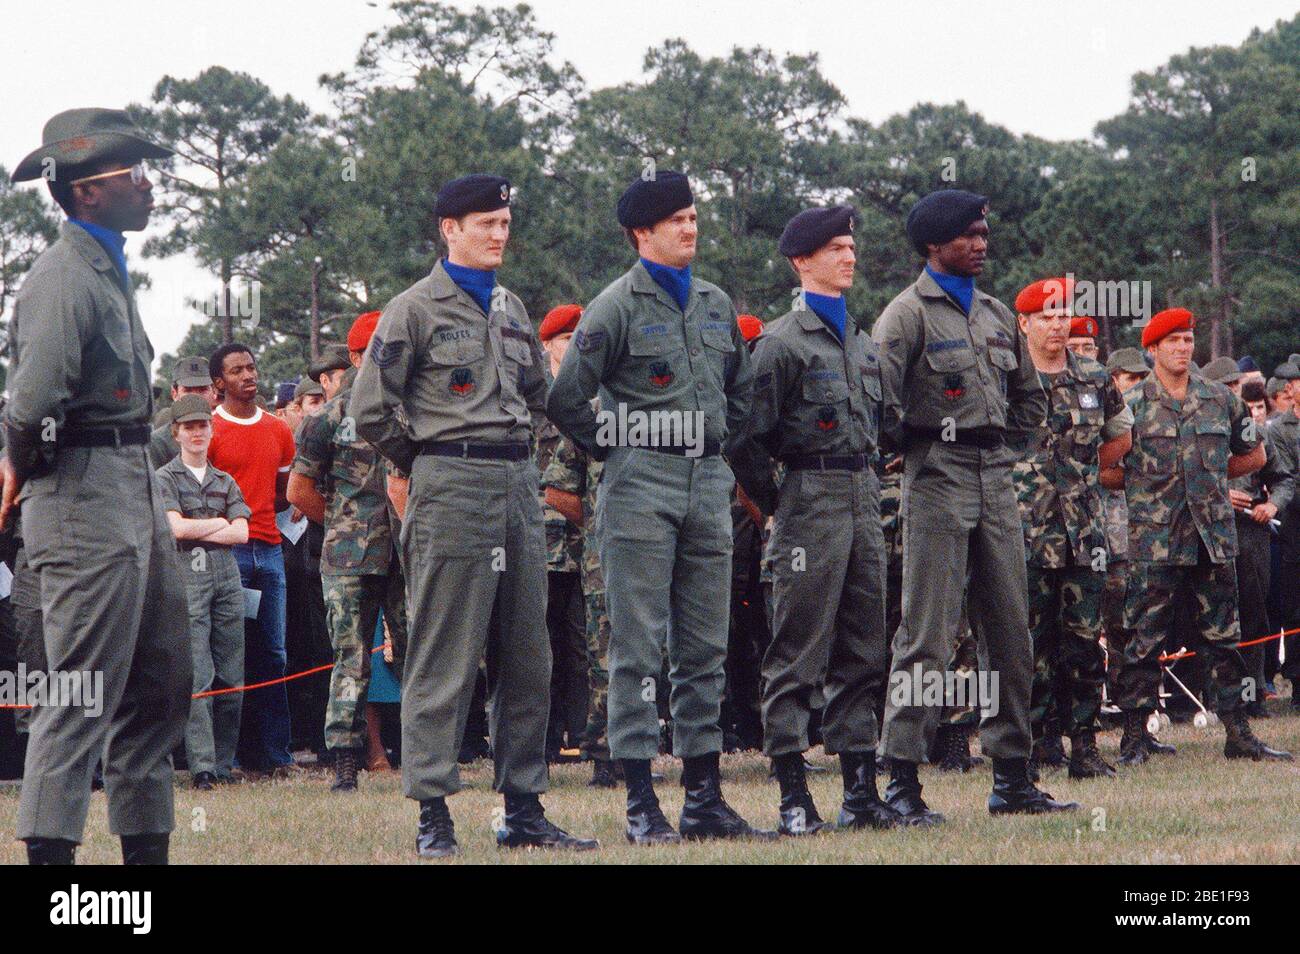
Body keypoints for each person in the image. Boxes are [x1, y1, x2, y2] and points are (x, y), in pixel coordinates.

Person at [351, 174, 596, 856]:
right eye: (484, 223)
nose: (498, 235)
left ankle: (523, 809)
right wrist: (428, 458)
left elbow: (542, 397)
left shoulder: (514, 308)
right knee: (443, 651)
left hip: (518, 486)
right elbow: (369, 408)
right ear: (449, 229)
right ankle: (434, 812)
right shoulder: (412, 310)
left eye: (504, 224)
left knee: (527, 653)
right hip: (451, 485)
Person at [547, 169, 766, 844]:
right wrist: (620, 448)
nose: (690, 227)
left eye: (694, 215)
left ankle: (704, 798)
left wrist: (718, 443)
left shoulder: (713, 301)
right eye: (677, 219)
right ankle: (642, 804)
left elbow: (742, 390)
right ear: (643, 233)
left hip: (706, 483)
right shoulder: (613, 306)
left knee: (706, 645)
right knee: (637, 648)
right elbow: (565, 400)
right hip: (640, 485)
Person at [3, 107, 191, 864]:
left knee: (160, 687)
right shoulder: (61, 278)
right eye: (134, 177)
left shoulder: (106, 265)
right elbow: (32, 403)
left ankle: (142, 876)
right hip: (80, 493)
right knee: (77, 696)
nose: (150, 189)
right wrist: (26, 467)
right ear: (87, 192)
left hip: (133, 483)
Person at [871, 189, 1073, 823]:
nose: (983, 243)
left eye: (986, 232)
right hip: (935, 479)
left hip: (994, 479)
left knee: (1011, 632)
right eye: (970, 235)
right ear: (936, 246)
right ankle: (902, 780)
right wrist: (916, 449)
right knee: (926, 634)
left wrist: (1004, 449)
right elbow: (880, 403)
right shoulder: (905, 316)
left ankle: (1013, 777)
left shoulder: (991, 314)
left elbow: (1031, 400)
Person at [733, 205, 900, 835]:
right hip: (809, 498)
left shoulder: (862, 343)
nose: (849, 256)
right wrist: (778, 505)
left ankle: (860, 791)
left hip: (863, 497)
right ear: (803, 261)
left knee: (864, 647)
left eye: (851, 246)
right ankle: (793, 797)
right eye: (835, 248)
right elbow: (746, 439)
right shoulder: (780, 344)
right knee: (797, 651)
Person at [1106, 309, 1290, 763]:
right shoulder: (1131, 405)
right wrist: (1149, 487)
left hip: (1212, 537)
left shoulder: (1220, 400)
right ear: (1152, 349)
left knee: (1223, 637)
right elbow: (1106, 468)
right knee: (1143, 639)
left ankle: (1238, 732)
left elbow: (1254, 454)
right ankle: (1135, 736)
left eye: (1188, 340)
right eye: (1173, 341)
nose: (1183, 348)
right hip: (1155, 541)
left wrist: (1206, 477)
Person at [1010, 279, 1132, 781]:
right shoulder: (1007, 378)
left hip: (1084, 533)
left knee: (1084, 643)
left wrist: (1079, 476)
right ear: (1024, 323)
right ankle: (1038, 746)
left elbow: (1119, 437)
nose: (1058, 323)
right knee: (1030, 644)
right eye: (1047, 315)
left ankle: (1084, 746)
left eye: (1063, 314)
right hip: (1023, 533)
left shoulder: (1093, 376)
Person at [289, 311, 407, 793]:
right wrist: (342, 525)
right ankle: (344, 761)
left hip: (404, 552)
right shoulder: (327, 418)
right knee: (351, 658)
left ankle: (423, 752)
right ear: (355, 357)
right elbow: (298, 491)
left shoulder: (408, 408)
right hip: (349, 560)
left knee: (416, 652)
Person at [207, 342, 298, 775]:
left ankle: (278, 755)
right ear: (219, 383)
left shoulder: (279, 429)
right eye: (238, 370)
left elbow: (286, 491)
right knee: (233, 654)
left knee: (275, 653)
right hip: (230, 554)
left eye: (252, 367)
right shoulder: (210, 430)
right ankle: (235, 754)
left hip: (271, 550)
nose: (249, 375)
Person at [155, 395, 251, 790]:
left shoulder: (224, 479)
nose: (197, 433)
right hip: (187, 574)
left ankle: (225, 763)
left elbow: (243, 532)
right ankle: (203, 768)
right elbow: (175, 530)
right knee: (199, 673)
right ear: (176, 432)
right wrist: (218, 524)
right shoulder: (165, 478)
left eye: (203, 426)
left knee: (232, 672)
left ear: (212, 430)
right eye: (189, 426)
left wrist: (204, 526)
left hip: (227, 575)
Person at [1218, 374, 1293, 718]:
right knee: (1209, 618)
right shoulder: (1192, 433)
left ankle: (1252, 696)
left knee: (1254, 616)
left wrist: (1272, 505)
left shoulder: (1255, 435)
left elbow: (1282, 478)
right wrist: (1218, 494)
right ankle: (1204, 698)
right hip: (1205, 535)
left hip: (1251, 535)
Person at [536, 304, 589, 764]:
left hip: (584, 543)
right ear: (548, 346)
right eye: (565, 339)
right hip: (538, 544)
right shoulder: (533, 400)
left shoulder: (593, 398)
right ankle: (546, 738)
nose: (573, 347)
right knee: (538, 646)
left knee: (583, 644)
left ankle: (585, 734)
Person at [1265, 356, 1300, 709]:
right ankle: (1297, 679)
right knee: (1293, 608)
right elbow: (1285, 480)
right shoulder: (1278, 430)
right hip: (1293, 528)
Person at [148, 356, 218, 469]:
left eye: (202, 390)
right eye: (188, 390)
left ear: (214, 391)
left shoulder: (227, 432)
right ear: (174, 393)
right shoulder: (159, 443)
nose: (195, 397)